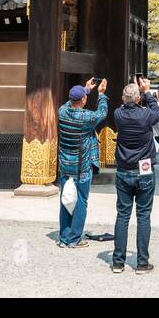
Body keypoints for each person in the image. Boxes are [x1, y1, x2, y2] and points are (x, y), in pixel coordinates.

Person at [112, 77, 159, 274]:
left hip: (124, 168)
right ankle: (142, 262)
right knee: (143, 215)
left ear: (123, 99)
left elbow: (125, 104)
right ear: (138, 98)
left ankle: (118, 261)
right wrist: (147, 91)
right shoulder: (146, 115)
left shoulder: (118, 114)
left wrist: (135, 94)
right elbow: (158, 111)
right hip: (145, 168)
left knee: (123, 215)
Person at [55, 78, 107, 249]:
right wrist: (101, 94)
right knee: (81, 201)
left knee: (65, 199)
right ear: (83, 100)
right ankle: (74, 238)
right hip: (81, 166)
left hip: (65, 165)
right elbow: (102, 113)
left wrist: (85, 89)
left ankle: (64, 237)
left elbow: (67, 104)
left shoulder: (62, 112)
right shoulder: (85, 117)